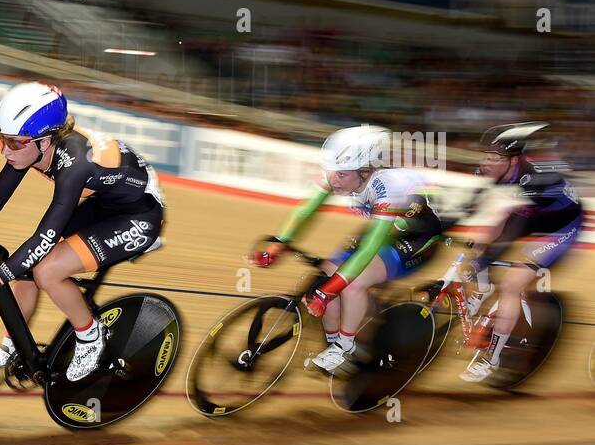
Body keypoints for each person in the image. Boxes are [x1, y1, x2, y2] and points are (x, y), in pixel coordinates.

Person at [0, 82, 165, 382]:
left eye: (15, 143)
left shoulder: (75, 164)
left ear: (45, 142)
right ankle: (12, 346)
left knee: (46, 271)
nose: (5, 150)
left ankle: (90, 334)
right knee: (26, 266)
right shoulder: (32, 147)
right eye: (2, 139)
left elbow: (46, 235)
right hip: (106, 204)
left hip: (139, 216)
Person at [249, 125, 445, 375]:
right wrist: (280, 242)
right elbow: (306, 210)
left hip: (418, 240)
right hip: (386, 229)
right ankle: (337, 342)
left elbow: (368, 251)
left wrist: (329, 292)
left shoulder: (387, 188)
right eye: (331, 173)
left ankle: (345, 348)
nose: (333, 180)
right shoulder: (342, 172)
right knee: (328, 276)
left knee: (351, 283)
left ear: (365, 171)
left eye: (341, 175)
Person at [459, 122, 583, 382]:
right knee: (483, 240)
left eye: (495, 157)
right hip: (537, 213)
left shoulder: (534, 179)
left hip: (562, 228)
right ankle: (484, 289)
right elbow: (474, 201)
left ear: (514, 160)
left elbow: (512, 231)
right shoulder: (499, 171)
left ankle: (491, 360)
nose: (487, 162)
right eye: (486, 156)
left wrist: (486, 259)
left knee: (512, 284)